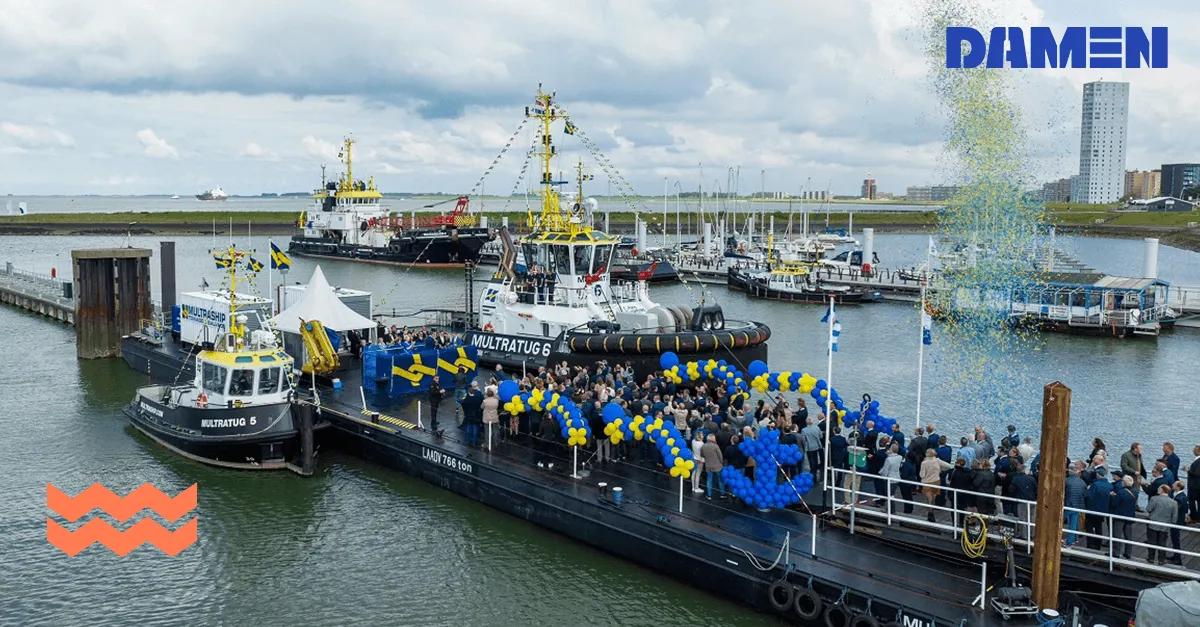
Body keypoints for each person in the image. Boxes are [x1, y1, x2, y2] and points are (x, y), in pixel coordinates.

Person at [1146, 484, 1178, 565]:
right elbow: (1174, 517)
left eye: (1159, 489)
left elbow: (1148, 509)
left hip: (1153, 524)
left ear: (1162, 490)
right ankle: (1161, 560)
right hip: (1165, 526)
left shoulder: (1154, 499)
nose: (1158, 490)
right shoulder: (1173, 502)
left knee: (1152, 542)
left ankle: (1151, 559)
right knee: (1162, 543)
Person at [1084, 467, 1114, 550]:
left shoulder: (1095, 485)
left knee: (1089, 527)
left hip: (1092, 509)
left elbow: (1089, 496)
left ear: (1097, 474)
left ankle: (1090, 545)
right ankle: (1098, 545)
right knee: (1098, 527)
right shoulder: (1109, 485)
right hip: (1103, 510)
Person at [921, 448, 951, 522]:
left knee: (928, 499)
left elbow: (921, 475)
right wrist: (940, 470)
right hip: (936, 481)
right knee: (933, 498)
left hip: (927, 482)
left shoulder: (924, 463)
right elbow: (949, 466)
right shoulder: (938, 461)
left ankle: (930, 513)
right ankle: (931, 513)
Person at [1113, 475, 1138, 560]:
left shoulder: (1121, 492)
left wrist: (1113, 496)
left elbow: (1115, 504)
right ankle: (1128, 553)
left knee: (1117, 535)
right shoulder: (1135, 492)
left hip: (1120, 515)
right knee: (1128, 536)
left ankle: (1116, 552)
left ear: (1124, 483)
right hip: (1130, 516)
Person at [1064, 463, 1087, 547]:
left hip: (1068, 504)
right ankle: (1072, 540)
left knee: (1059, 522)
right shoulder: (1082, 482)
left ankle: (1066, 540)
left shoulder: (1066, 481)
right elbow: (1085, 495)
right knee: (1073, 524)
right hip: (1077, 505)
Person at [701, 434, 724, 500]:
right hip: (717, 466)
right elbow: (720, 456)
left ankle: (709, 495)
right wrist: (721, 463)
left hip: (708, 466)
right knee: (720, 480)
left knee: (709, 480)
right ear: (713, 439)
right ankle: (722, 494)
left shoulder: (703, 446)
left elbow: (702, 455)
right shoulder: (715, 446)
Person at [1170, 481, 1188, 565]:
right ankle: (1175, 556)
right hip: (1179, 520)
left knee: (1175, 540)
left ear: (1178, 487)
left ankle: (1177, 559)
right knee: (1175, 540)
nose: (1172, 485)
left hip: (1176, 522)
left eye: (1174, 485)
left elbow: (1175, 510)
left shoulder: (1179, 498)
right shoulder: (1183, 496)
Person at [1189, 444, 1200, 523]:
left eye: (1195, 449)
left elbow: (1197, 474)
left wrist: (1188, 470)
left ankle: (1194, 517)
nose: (1193, 450)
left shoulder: (1198, 461)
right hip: (1196, 485)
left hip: (1195, 486)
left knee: (1192, 501)